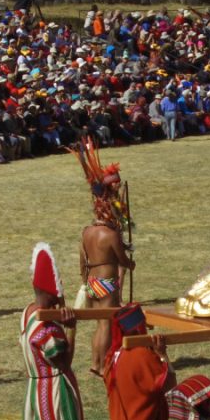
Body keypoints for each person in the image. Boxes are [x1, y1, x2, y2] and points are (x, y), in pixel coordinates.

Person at [14, 243, 89, 420]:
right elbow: (65, 360)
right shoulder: (47, 328)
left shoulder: (28, 313)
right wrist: (71, 328)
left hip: (36, 390)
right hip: (57, 390)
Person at [72, 137, 135, 376]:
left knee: (100, 324)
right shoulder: (110, 234)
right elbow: (121, 260)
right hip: (107, 282)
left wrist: (84, 280)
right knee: (107, 324)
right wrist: (131, 263)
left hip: (92, 282)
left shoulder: (87, 232)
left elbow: (82, 259)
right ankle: (101, 365)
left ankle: (95, 362)